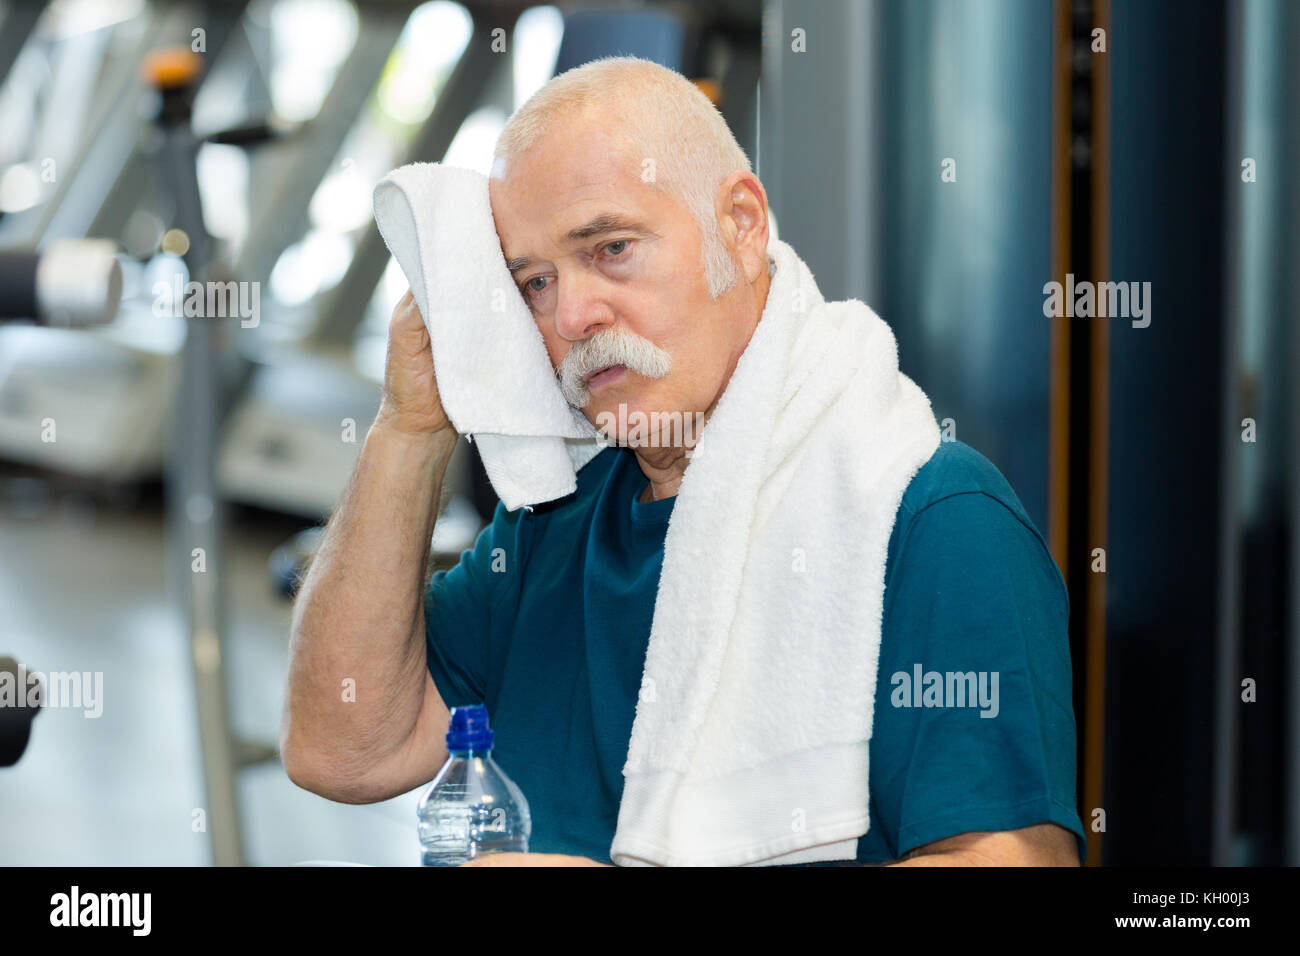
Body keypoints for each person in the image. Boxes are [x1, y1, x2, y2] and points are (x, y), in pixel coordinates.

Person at [281, 56, 1086, 867]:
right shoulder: (547, 528)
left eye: (612, 248)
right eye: (534, 282)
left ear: (739, 225)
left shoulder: (929, 515)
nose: (574, 313)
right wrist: (410, 425)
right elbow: (340, 750)